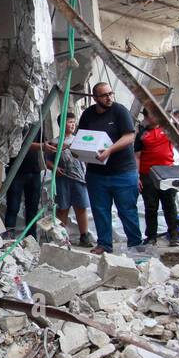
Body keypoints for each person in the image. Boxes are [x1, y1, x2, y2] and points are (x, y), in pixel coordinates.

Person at [77, 83, 143, 256]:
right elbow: (82, 138)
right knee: (100, 210)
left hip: (123, 171)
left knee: (127, 210)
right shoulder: (88, 115)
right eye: (104, 95)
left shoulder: (120, 111)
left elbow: (129, 136)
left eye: (110, 93)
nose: (109, 98)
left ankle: (135, 245)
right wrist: (80, 152)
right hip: (97, 174)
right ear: (95, 98)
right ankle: (104, 244)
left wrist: (110, 150)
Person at [134, 100, 179, 246]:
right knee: (150, 207)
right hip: (148, 176)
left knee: (169, 205)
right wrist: (137, 176)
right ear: (147, 117)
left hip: (167, 174)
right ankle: (151, 236)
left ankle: (173, 236)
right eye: (152, 115)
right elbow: (137, 156)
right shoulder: (142, 134)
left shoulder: (168, 129)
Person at [45, 115, 93, 248]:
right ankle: (61, 237)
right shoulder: (54, 142)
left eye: (73, 122)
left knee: (81, 208)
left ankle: (84, 236)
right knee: (62, 208)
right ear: (61, 124)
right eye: (69, 122)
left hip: (79, 179)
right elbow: (47, 160)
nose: (72, 125)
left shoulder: (80, 140)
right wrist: (54, 167)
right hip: (62, 179)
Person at [3, 123, 45, 237]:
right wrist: (42, 146)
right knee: (13, 206)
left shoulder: (39, 122)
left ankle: (31, 239)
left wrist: (47, 146)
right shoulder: (17, 121)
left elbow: (42, 141)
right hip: (16, 170)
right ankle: (9, 238)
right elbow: (18, 143)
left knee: (32, 208)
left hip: (34, 170)